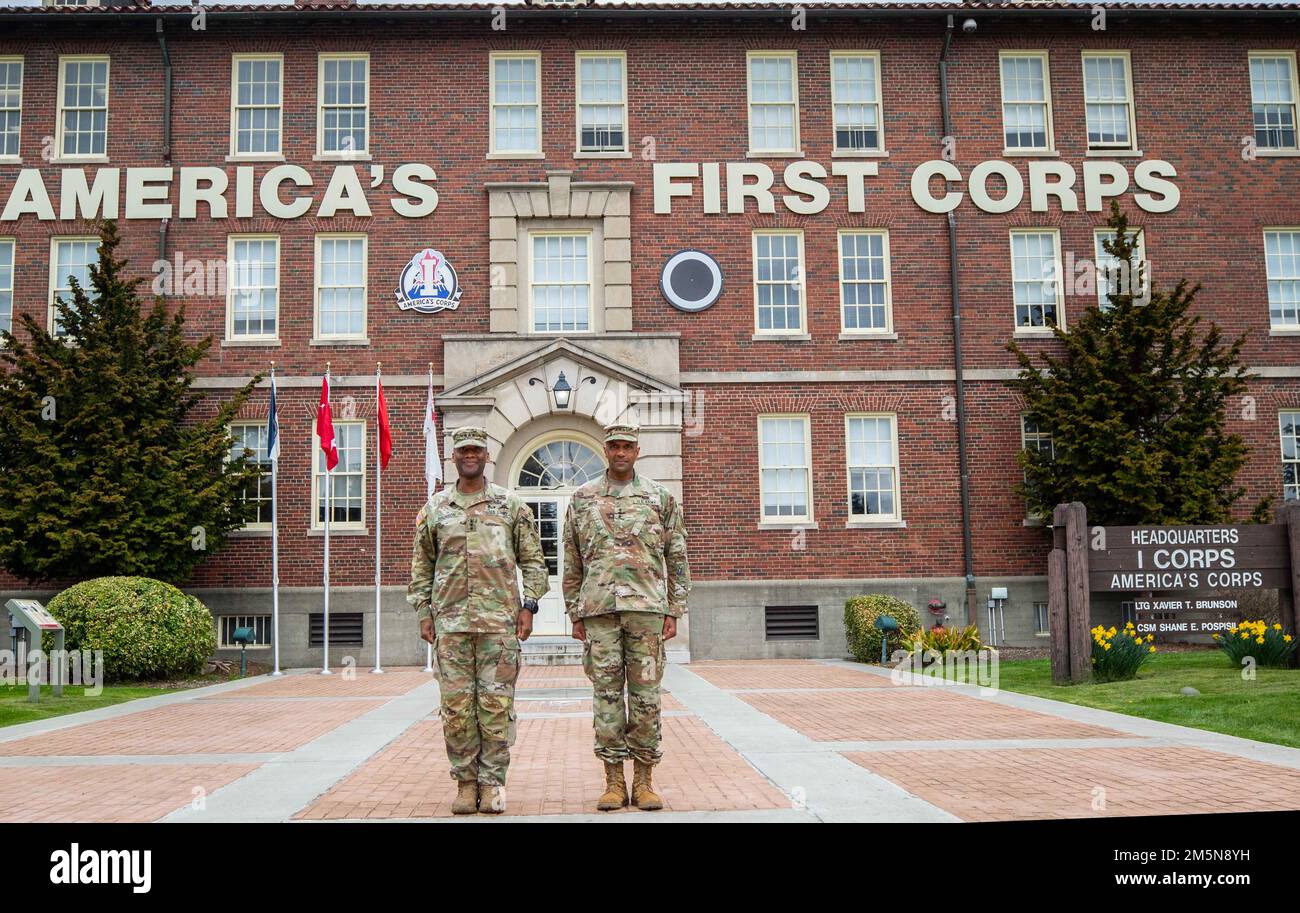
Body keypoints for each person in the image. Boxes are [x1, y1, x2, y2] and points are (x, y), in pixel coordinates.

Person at [408, 425, 548, 815]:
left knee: (496, 707)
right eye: (463, 450)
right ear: (454, 457)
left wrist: (529, 606)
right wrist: (424, 611)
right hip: (450, 627)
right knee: (455, 710)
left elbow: (534, 561)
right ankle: (466, 784)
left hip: (499, 628)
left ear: (487, 457)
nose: (470, 456)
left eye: (476, 450)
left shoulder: (511, 506)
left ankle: (492, 785)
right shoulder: (435, 510)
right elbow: (421, 567)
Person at [562, 422, 691, 811]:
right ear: (606, 450)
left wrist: (675, 609)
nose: (621, 452)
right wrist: (574, 612)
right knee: (606, 699)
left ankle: (645, 780)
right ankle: (614, 781)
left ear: (637, 451)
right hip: (599, 612)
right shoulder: (582, 499)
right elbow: (570, 560)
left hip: (647, 612)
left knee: (647, 699)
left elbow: (678, 557)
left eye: (627, 447)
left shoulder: (659, 498)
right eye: (614, 446)